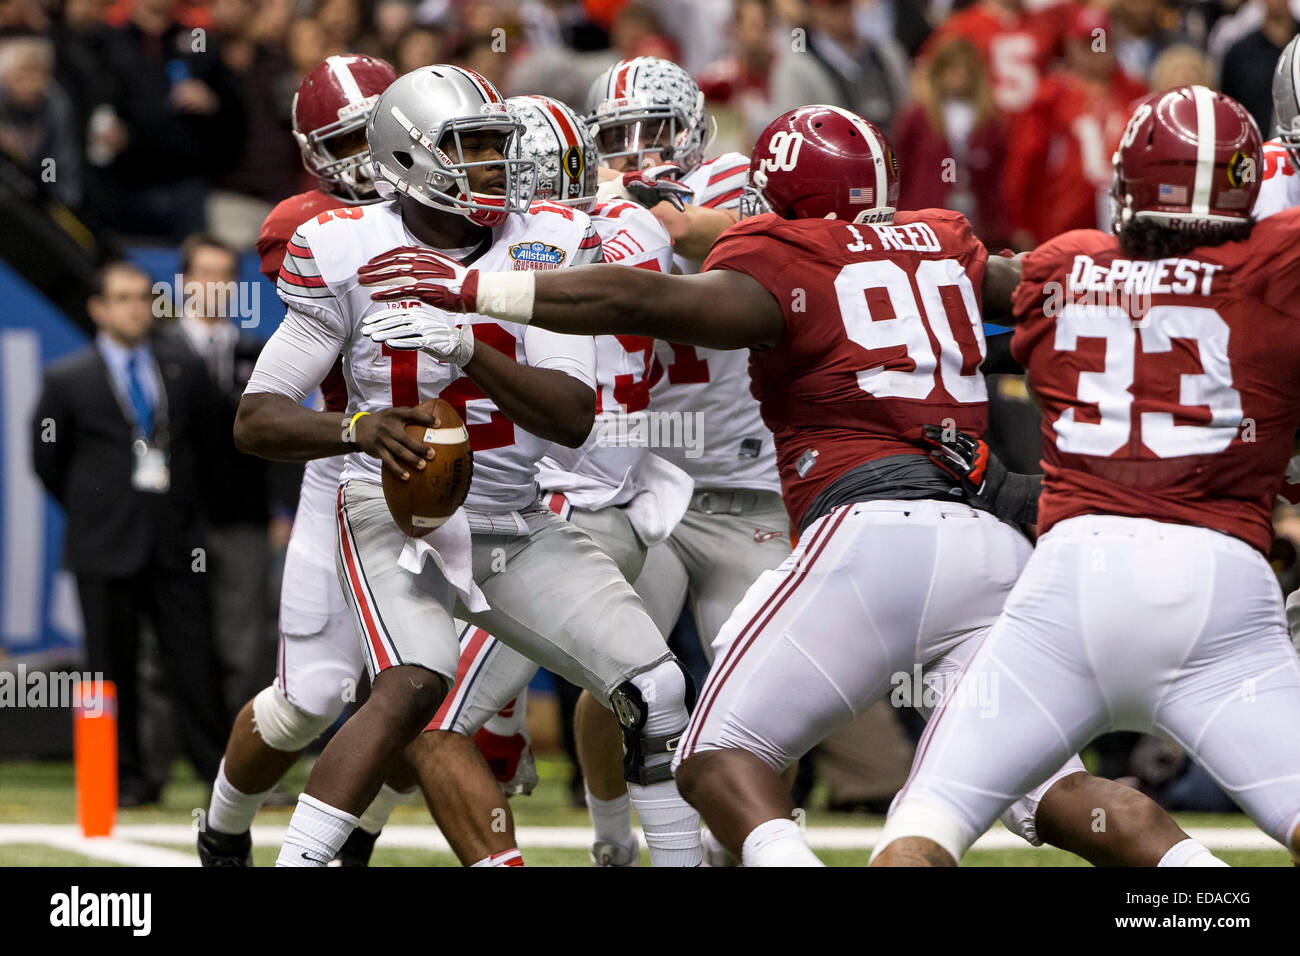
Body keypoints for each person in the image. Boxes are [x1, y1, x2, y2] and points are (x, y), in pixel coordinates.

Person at [352, 103, 1226, 870]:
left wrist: (473, 289)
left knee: (713, 753)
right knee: (1045, 793)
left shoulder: (781, 254)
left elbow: (642, 302)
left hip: (867, 535)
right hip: (986, 545)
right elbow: (1034, 289)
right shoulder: (946, 243)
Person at [236, 64, 700, 867]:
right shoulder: (342, 246)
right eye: (474, 147)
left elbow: (571, 414)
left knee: (657, 692)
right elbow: (257, 417)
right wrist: (358, 427)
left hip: (515, 516)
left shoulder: (549, 235)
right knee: (416, 683)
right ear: (409, 157)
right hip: (393, 505)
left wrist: (466, 335)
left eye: (497, 144)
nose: (498, 165)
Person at [871, 86, 1300, 867]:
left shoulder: (1068, 266)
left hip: (1069, 589)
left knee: (921, 831)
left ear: (1127, 182)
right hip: (1220, 590)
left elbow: (971, 282)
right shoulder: (1278, 266)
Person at [412, 92, 691, 867]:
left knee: (434, 723)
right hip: (634, 504)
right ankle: (629, 850)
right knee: (648, 696)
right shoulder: (634, 224)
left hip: (562, 506)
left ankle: (358, 841)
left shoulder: (529, 245)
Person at [198, 53, 405, 868]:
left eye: (378, 132)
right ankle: (223, 823)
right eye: (347, 139)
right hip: (350, 465)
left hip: (471, 474)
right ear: (315, 153)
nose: (366, 154)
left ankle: (355, 838)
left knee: (438, 697)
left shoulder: (473, 202)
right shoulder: (310, 227)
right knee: (310, 697)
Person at [31, 260, 230, 806]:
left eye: (143, 297)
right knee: (106, 671)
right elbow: (47, 461)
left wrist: (188, 513)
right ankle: (119, 780)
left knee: (196, 664)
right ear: (98, 308)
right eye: (122, 297)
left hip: (175, 541)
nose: (136, 307)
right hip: (103, 545)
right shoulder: (68, 379)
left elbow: (211, 449)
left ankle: (221, 779)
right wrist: (97, 510)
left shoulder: (181, 368)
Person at [175, 232, 296, 717]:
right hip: (172, 523)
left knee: (244, 644)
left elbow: (280, 436)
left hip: (243, 520)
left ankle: (238, 764)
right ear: (184, 282)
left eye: (225, 276)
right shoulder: (160, 350)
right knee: (167, 641)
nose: (215, 286)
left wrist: (279, 509)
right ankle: (151, 768)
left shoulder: (258, 354)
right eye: (204, 274)